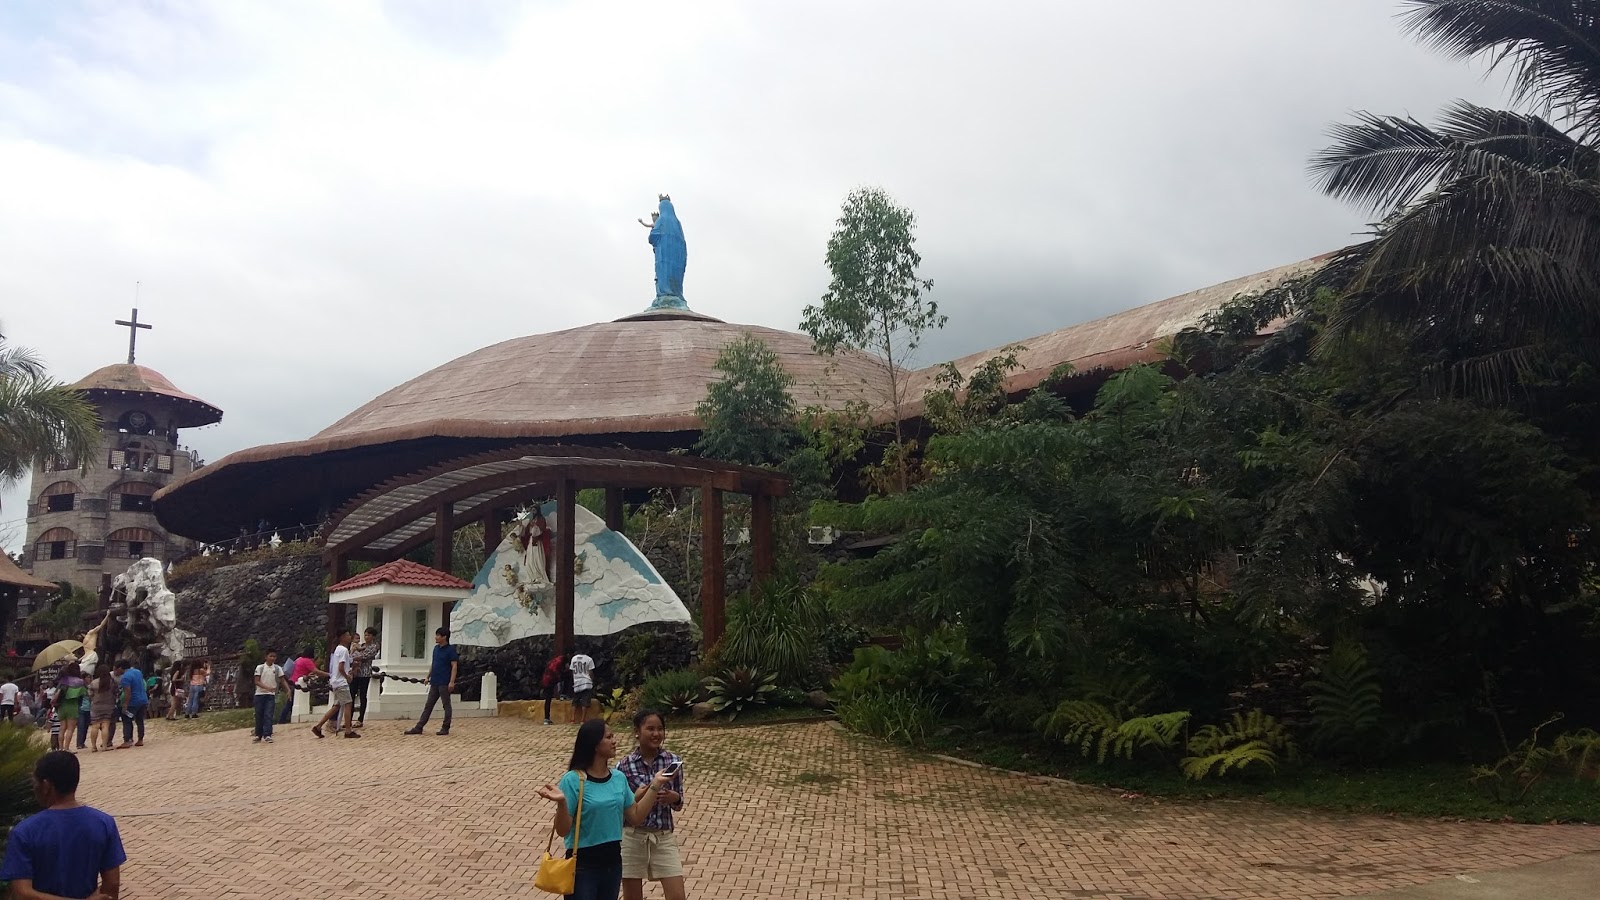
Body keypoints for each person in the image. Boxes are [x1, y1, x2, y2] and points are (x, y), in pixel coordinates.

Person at [536, 720, 675, 900]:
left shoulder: (618, 778)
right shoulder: (573, 780)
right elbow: (563, 831)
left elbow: (635, 816)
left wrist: (655, 784)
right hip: (582, 866)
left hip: (613, 864)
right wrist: (562, 803)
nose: (614, 741)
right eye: (608, 737)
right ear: (594, 744)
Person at [0, 751, 126, 899]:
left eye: (35, 783)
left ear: (46, 786)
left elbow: (23, 892)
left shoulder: (24, 831)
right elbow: (112, 883)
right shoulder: (104, 822)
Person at [619, 710, 687, 900]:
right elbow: (624, 806)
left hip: (663, 836)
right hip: (632, 837)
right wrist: (648, 790)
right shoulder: (624, 765)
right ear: (637, 732)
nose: (656, 734)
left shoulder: (673, 761)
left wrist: (673, 797)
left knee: (677, 896)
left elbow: (679, 803)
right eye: (650, 729)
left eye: (660, 729)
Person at [405, 628, 457, 736]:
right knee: (428, 705)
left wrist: (451, 681)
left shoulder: (450, 650)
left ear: (444, 637)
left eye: (438, 635)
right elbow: (434, 664)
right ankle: (419, 727)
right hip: (435, 681)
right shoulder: (436, 649)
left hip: (444, 681)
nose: (436, 637)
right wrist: (428, 676)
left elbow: (454, 666)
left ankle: (445, 727)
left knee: (446, 705)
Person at [312, 631, 360, 740]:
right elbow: (341, 667)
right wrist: (347, 677)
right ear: (342, 637)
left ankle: (319, 726)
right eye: (347, 635)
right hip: (341, 682)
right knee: (348, 704)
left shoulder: (338, 649)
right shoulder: (343, 650)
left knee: (337, 706)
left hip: (336, 681)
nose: (349, 637)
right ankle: (348, 730)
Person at [113, 661, 149, 749]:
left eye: (115, 669)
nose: (115, 671)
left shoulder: (125, 678)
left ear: (120, 668)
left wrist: (125, 704)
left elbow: (127, 692)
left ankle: (127, 740)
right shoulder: (138, 672)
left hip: (133, 702)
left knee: (127, 721)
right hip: (143, 699)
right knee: (140, 720)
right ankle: (140, 739)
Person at [253, 650, 285, 743]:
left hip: (270, 695)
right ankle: (258, 734)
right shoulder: (260, 668)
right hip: (259, 694)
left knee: (268, 714)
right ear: (266, 657)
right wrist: (267, 688)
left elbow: (282, 680)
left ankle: (267, 734)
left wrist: (288, 690)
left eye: (274, 656)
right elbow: (257, 681)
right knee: (259, 715)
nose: (272, 658)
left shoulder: (278, 668)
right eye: (270, 656)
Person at [350, 628, 378, 728]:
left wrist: (351, 657)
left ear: (373, 637)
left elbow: (365, 656)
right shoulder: (360, 646)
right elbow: (353, 653)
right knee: (351, 695)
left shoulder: (373, 647)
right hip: (355, 673)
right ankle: (348, 718)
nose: (366, 637)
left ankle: (360, 719)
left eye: (369, 635)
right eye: (365, 635)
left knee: (362, 695)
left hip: (365, 673)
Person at [55, 664, 85, 756]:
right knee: (70, 729)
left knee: (62, 728)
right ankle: (67, 748)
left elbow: (57, 693)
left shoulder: (63, 680)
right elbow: (81, 696)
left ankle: (60, 747)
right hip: (72, 705)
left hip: (62, 706)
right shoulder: (80, 682)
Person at [86, 664, 117, 753]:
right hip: (108, 706)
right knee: (105, 726)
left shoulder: (94, 682)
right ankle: (104, 745)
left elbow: (90, 695)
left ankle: (93, 747)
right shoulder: (111, 682)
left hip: (96, 706)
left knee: (95, 726)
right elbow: (115, 693)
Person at [569, 651, 596, 724]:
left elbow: (572, 671)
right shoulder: (588, 659)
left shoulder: (574, 658)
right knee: (585, 701)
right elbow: (590, 672)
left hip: (577, 682)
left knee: (575, 701)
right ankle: (582, 720)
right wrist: (592, 679)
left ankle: (572, 719)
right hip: (586, 682)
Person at [540, 653, 565, 726]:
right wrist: (559, 678)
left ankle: (546, 718)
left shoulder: (554, 661)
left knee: (548, 699)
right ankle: (546, 718)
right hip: (549, 681)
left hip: (546, 681)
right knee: (548, 699)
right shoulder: (559, 663)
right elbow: (555, 673)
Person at [275, 651, 299, 724]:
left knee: (290, 703)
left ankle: (285, 718)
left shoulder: (295, 663)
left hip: (290, 682)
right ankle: (282, 720)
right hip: (293, 683)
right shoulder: (301, 663)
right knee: (289, 703)